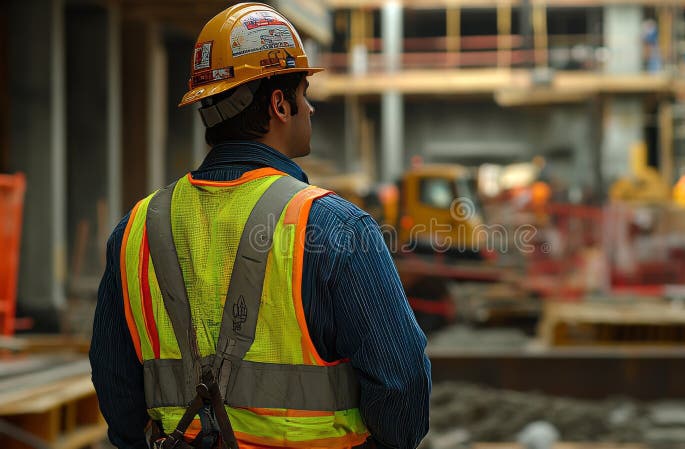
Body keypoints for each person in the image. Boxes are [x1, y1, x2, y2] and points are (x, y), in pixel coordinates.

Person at [89, 3, 431, 449]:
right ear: (279, 104)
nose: (309, 107)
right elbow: (402, 387)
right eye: (303, 92)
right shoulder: (334, 227)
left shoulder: (133, 231)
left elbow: (116, 384)